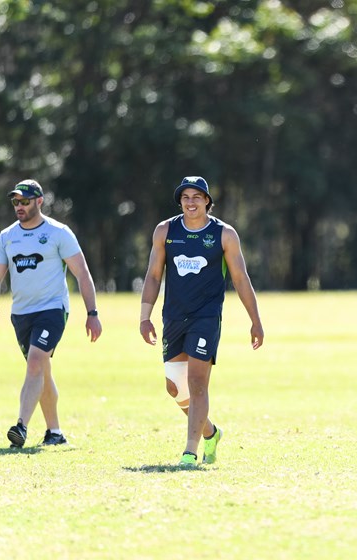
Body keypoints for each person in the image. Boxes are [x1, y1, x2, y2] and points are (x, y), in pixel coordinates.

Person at [139, 176, 264, 467]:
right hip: (173, 317)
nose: (191, 202)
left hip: (206, 317)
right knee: (175, 387)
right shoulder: (165, 231)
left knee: (197, 381)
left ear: (207, 200)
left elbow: (240, 278)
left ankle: (189, 451)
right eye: (186, 197)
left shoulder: (224, 234)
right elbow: (154, 275)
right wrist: (145, 317)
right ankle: (210, 432)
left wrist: (255, 320)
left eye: (197, 196)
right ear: (180, 201)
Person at [0, 179, 103, 448]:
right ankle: (55, 432)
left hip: (52, 309)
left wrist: (92, 312)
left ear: (39, 201)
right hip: (21, 314)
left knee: (35, 362)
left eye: (25, 201)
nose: (19, 206)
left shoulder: (59, 233)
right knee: (42, 371)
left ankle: (21, 426)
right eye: (15, 202)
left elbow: (82, 273)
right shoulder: (7, 236)